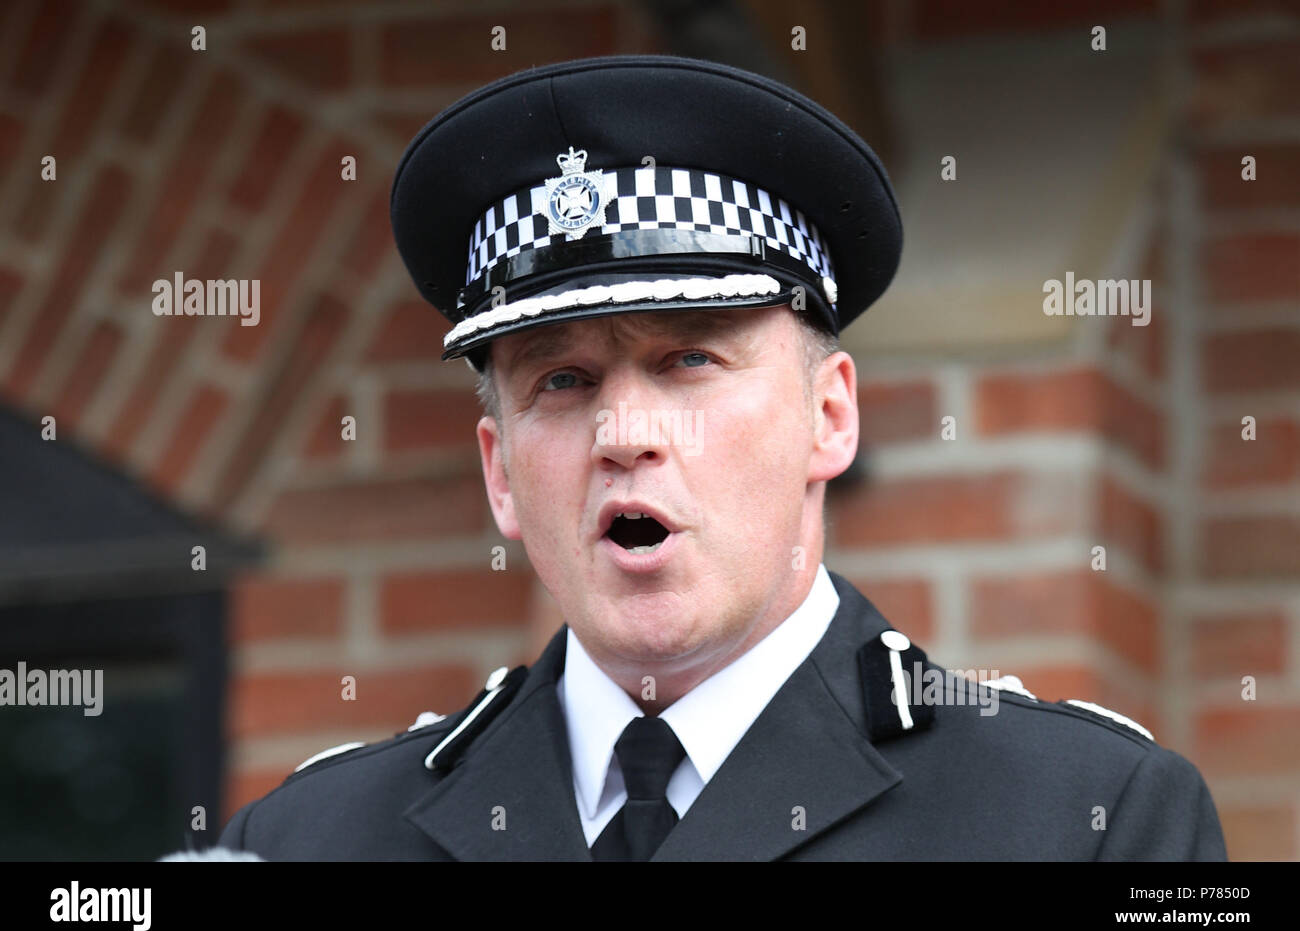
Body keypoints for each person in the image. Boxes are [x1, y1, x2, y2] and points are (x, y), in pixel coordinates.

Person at [218, 54, 1226, 861]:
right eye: (559, 382)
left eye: (687, 359)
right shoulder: (311, 840)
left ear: (828, 418)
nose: (624, 436)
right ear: (499, 473)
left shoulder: (1081, 821)